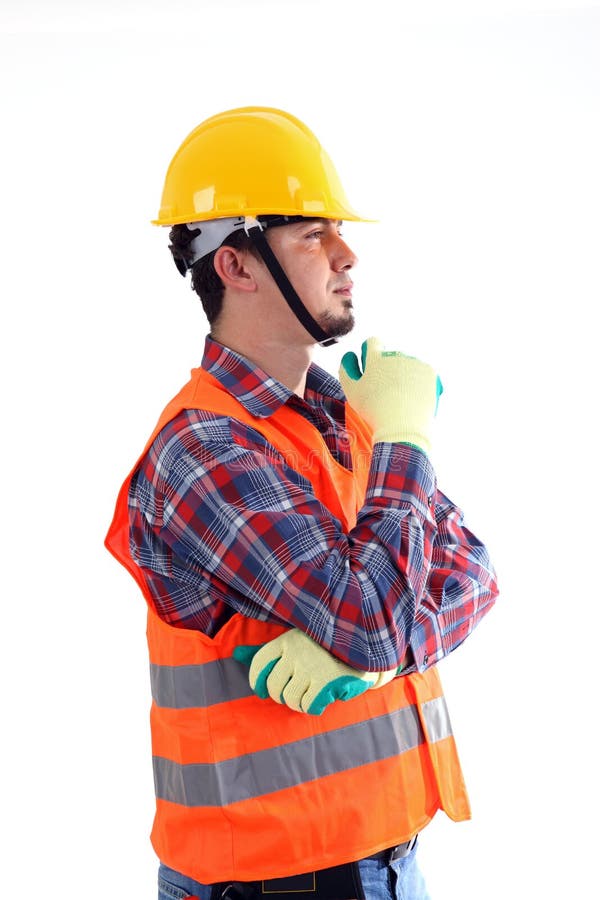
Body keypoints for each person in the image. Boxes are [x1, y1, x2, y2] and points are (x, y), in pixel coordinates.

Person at [105, 106, 499, 900]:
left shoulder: (343, 417)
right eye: (313, 234)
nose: (348, 254)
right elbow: (369, 614)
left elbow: (475, 571)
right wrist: (408, 443)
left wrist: (375, 660)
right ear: (237, 266)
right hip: (271, 883)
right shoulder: (205, 451)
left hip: (388, 863)